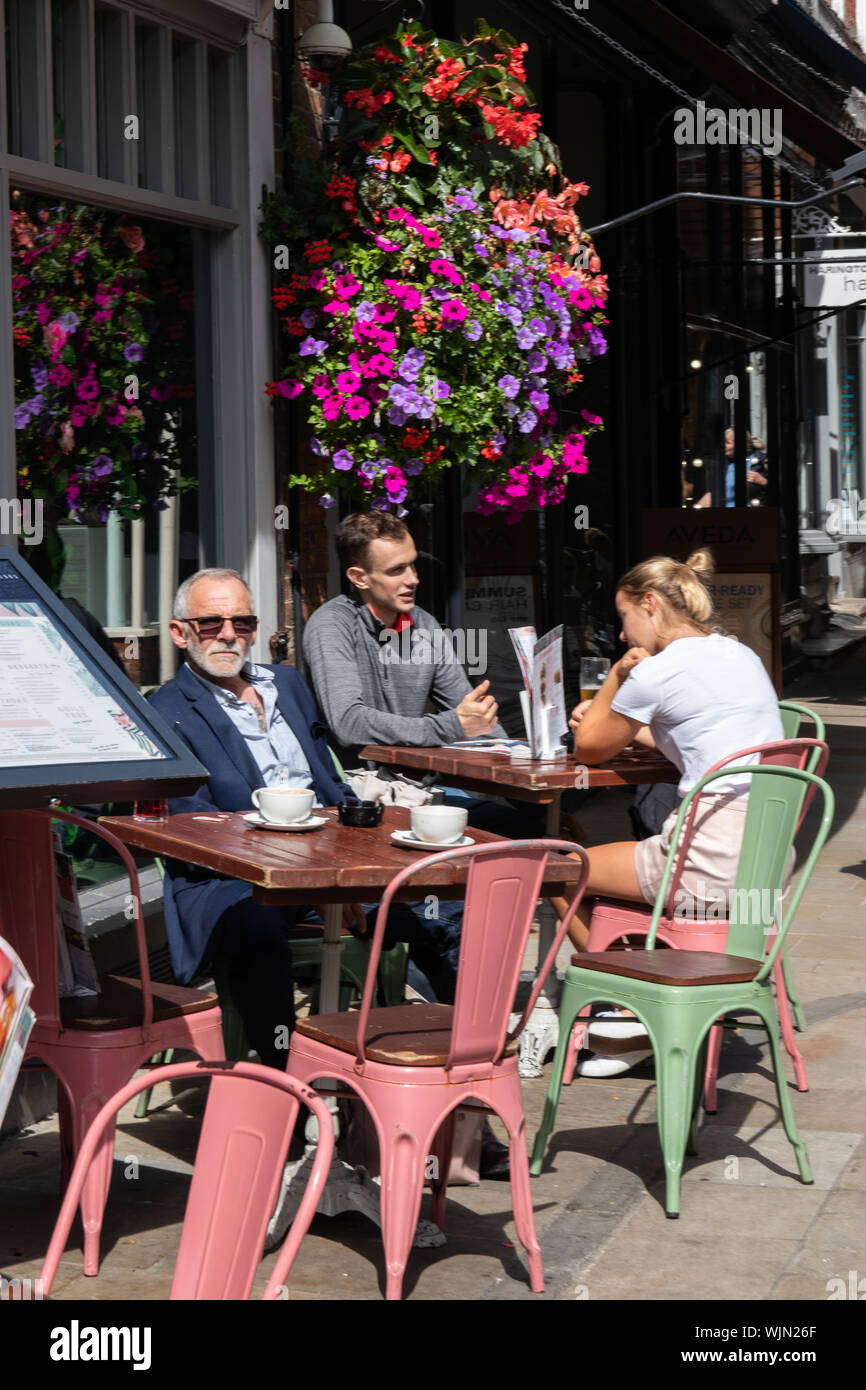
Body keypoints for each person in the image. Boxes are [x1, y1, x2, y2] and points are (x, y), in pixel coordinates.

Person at [150, 567, 467, 1066]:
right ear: (179, 632)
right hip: (238, 877)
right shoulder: (166, 710)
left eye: (243, 622)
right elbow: (191, 826)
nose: (230, 635)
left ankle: (451, 1062)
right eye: (211, 624)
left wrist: (349, 866)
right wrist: (306, 875)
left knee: (449, 905)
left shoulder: (287, 684)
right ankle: (289, 1081)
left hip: (332, 859)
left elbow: (330, 782)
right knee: (253, 930)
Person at [556, 548, 785, 1077]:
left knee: (560, 871)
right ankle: (645, 985)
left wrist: (616, 675)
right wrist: (628, 724)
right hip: (764, 863)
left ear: (651, 604)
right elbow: (697, 731)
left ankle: (633, 1013)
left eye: (624, 618)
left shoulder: (656, 670)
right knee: (606, 868)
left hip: (709, 859)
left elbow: (589, 748)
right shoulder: (739, 654)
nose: (622, 634)